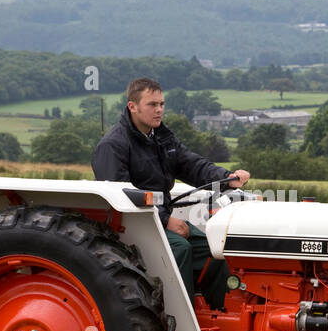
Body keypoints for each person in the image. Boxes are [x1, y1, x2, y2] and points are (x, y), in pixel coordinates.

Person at [91, 77, 250, 308]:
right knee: (180, 247)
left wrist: (226, 178)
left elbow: (191, 165)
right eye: (152, 105)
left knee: (214, 248)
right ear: (132, 106)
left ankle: (223, 314)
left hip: (158, 218)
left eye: (161, 104)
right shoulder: (113, 146)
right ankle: (178, 317)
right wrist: (165, 220)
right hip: (134, 224)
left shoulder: (162, 138)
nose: (159, 110)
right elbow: (121, 196)